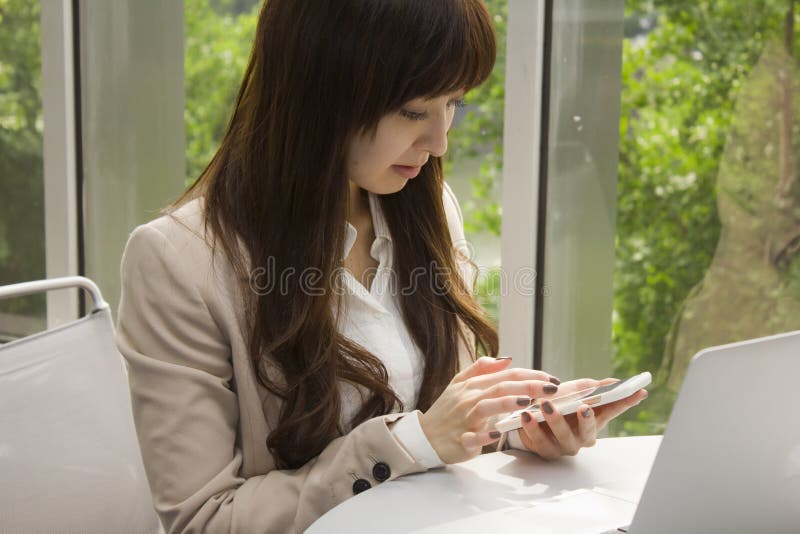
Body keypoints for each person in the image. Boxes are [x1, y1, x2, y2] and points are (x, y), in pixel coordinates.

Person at [116, 1, 647, 532]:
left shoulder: (427, 208)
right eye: (414, 112)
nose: (439, 141)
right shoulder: (177, 263)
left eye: (454, 104)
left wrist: (518, 429)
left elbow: (437, 420)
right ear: (318, 95)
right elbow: (204, 521)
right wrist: (407, 443)